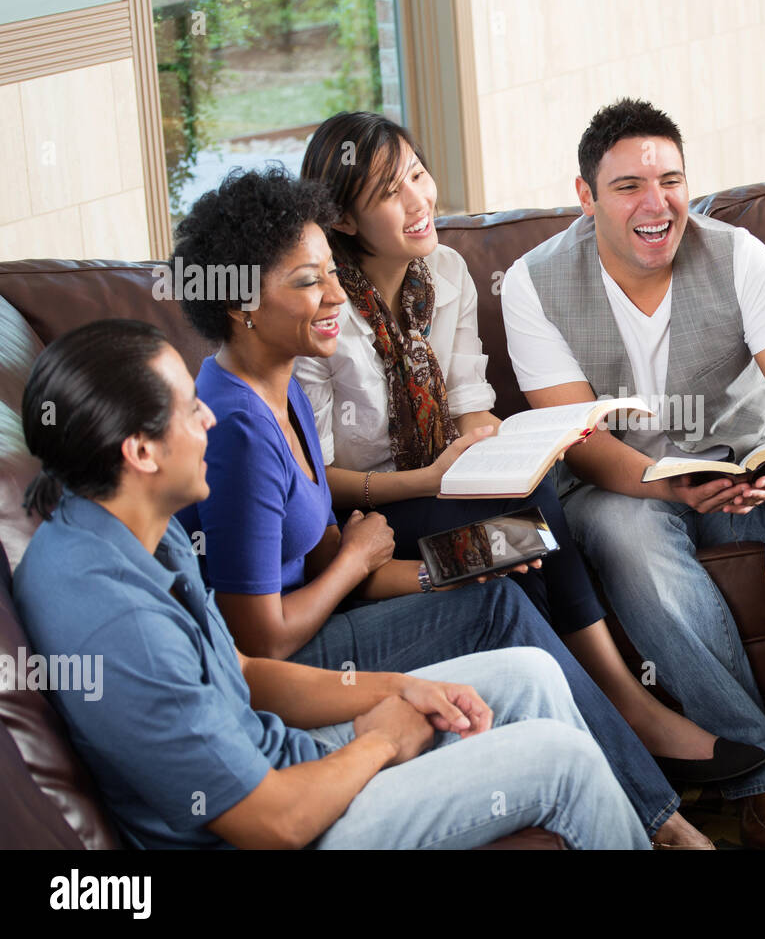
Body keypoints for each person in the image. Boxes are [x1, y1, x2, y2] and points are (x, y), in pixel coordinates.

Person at [172, 166, 709, 848]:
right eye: (309, 281)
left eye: (331, 273)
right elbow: (259, 638)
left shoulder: (282, 389)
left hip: (322, 619)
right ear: (240, 305)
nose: (336, 294)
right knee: (496, 609)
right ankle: (658, 824)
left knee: (504, 568)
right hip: (297, 653)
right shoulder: (238, 430)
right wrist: (358, 558)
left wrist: (445, 568)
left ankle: (639, 812)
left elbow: (326, 558)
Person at [12, 319, 648, 850]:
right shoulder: (120, 621)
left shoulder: (135, 520)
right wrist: (376, 743)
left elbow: (246, 671)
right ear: (140, 453)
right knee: (562, 762)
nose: (208, 416)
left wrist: (408, 687)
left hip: (282, 758)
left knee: (529, 673)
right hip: (278, 820)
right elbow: (275, 821)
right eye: (187, 408)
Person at [293, 111, 762, 786]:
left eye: (419, 175)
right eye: (391, 193)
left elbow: (470, 405)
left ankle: (591, 728)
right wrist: (425, 479)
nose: (419, 201)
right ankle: (625, 709)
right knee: (526, 518)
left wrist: (494, 440)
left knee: (525, 513)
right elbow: (316, 481)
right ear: (343, 220)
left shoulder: (445, 272)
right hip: (370, 516)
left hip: (440, 488)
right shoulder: (323, 311)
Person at [501, 98, 765, 849]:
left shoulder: (737, 255)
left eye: (670, 180)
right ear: (586, 196)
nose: (655, 202)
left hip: (742, 464)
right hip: (617, 484)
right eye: (628, 184)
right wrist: (662, 483)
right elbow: (579, 437)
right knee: (625, 535)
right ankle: (761, 775)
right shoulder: (535, 282)